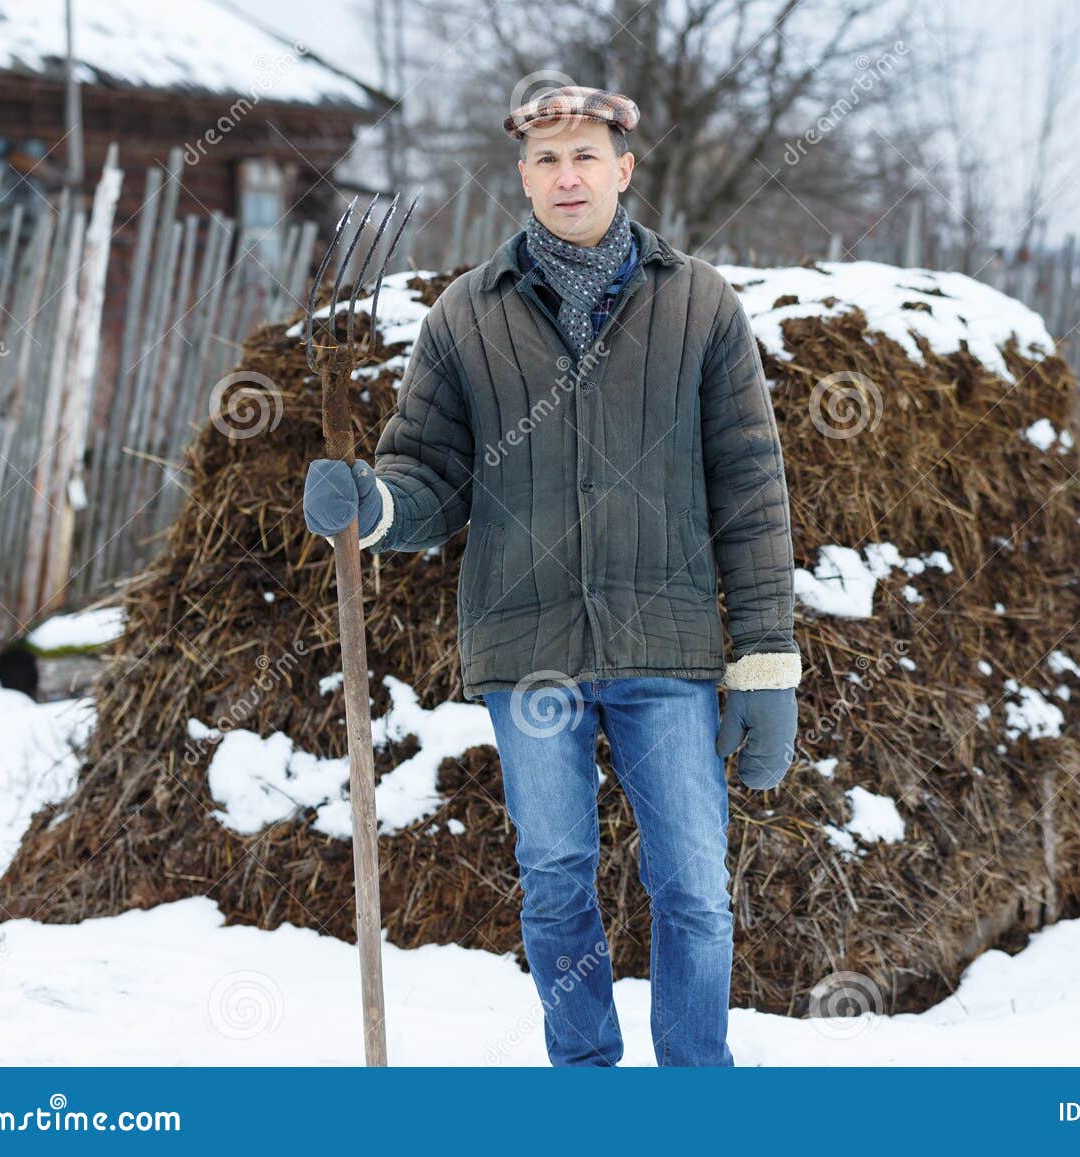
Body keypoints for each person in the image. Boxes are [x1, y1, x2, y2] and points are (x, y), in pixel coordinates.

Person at [302, 86, 799, 1067]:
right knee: (557, 871)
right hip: (526, 647)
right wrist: (372, 506)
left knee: (694, 881)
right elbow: (430, 479)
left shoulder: (696, 302)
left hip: (667, 646)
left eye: (584, 155)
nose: (565, 175)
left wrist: (767, 656)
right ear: (521, 176)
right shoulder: (466, 315)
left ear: (623, 166)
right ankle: (584, 1078)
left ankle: (698, 1081)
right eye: (544, 160)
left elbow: (750, 483)